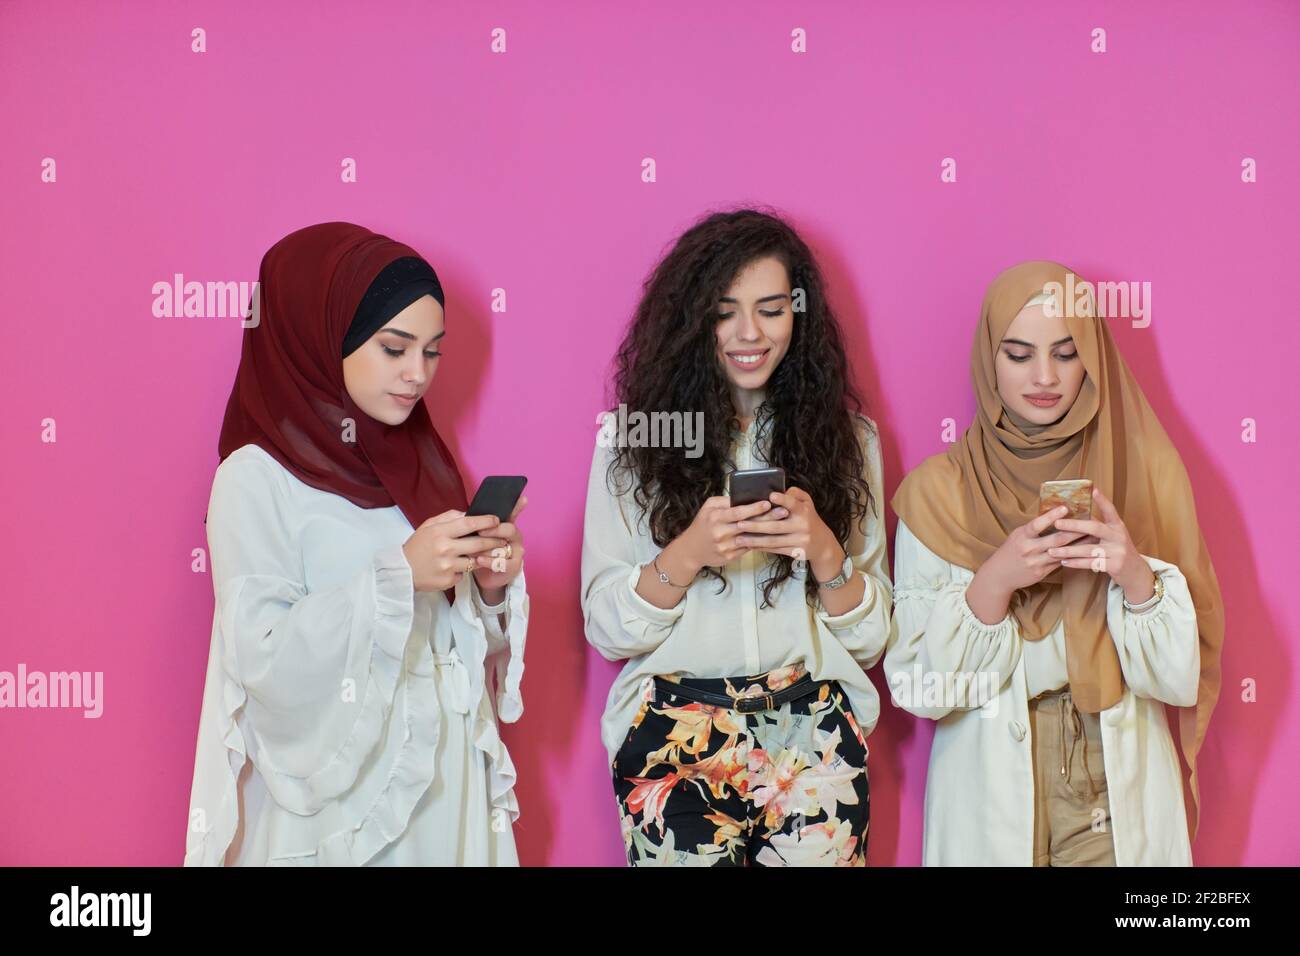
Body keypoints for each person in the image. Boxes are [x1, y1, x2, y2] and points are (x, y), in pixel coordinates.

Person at [184, 222, 528, 866]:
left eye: (432, 352)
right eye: (394, 348)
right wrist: (399, 574)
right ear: (318, 336)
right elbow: (258, 656)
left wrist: (488, 586)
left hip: (444, 788)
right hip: (337, 804)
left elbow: (456, 654)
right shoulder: (254, 478)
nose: (417, 374)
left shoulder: (423, 466)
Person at [883, 260, 1223, 866]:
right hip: (988, 774)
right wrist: (995, 581)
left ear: (1092, 356)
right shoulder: (938, 493)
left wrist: (1135, 574)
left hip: (1109, 770)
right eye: (1018, 355)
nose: (1044, 377)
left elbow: (1178, 679)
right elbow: (916, 688)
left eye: (1066, 353)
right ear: (990, 360)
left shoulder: (1144, 474)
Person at [581, 209, 892, 866]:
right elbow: (608, 629)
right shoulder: (630, 439)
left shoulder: (851, 442)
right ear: (693, 320)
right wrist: (688, 554)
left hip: (814, 729)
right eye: (725, 312)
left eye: (772, 309)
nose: (749, 333)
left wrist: (825, 552)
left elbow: (868, 639)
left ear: (798, 317)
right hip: (675, 730)